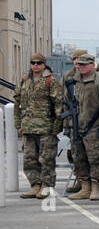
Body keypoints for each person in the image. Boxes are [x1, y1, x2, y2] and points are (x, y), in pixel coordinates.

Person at [65, 52, 99, 201]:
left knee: (95, 159)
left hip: (94, 127)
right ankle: (84, 186)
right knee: (78, 158)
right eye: (79, 64)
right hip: (76, 126)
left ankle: (96, 187)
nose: (81, 67)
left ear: (92, 65)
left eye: (84, 64)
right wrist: (67, 125)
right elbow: (67, 105)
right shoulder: (72, 82)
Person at [16, 52, 62, 200]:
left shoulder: (51, 81)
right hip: (28, 127)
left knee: (46, 159)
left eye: (38, 63)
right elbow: (17, 104)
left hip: (46, 127)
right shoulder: (25, 81)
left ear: (44, 64)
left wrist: (57, 127)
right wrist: (18, 124)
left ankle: (46, 186)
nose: (35, 65)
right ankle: (35, 185)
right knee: (29, 159)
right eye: (33, 63)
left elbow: (59, 106)